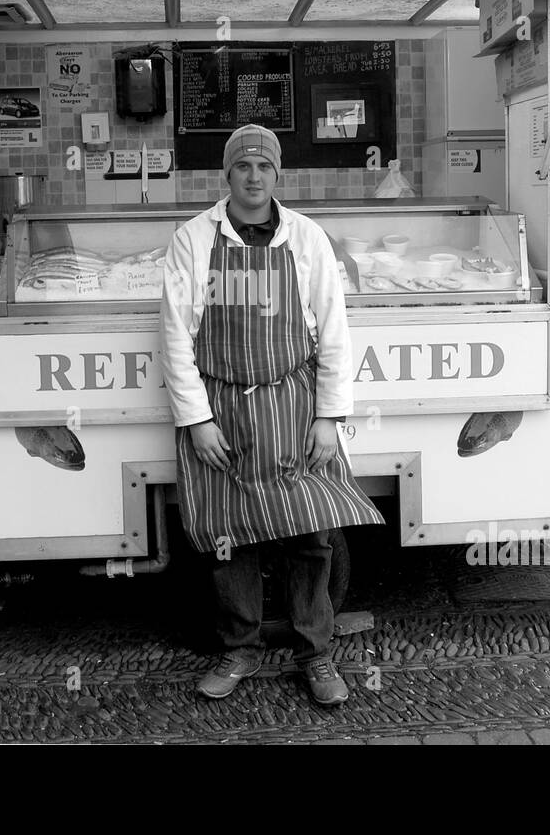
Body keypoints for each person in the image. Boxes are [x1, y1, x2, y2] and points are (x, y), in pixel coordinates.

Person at [159, 123, 384, 705]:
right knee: (229, 538)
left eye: (264, 168)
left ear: (277, 174)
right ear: (226, 174)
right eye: (243, 167)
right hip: (221, 408)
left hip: (293, 403)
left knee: (309, 532)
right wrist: (196, 419)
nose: (253, 177)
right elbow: (175, 337)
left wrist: (329, 417)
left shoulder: (307, 238)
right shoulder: (192, 239)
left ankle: (318, 654)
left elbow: (334, 332)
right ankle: (240, 650)